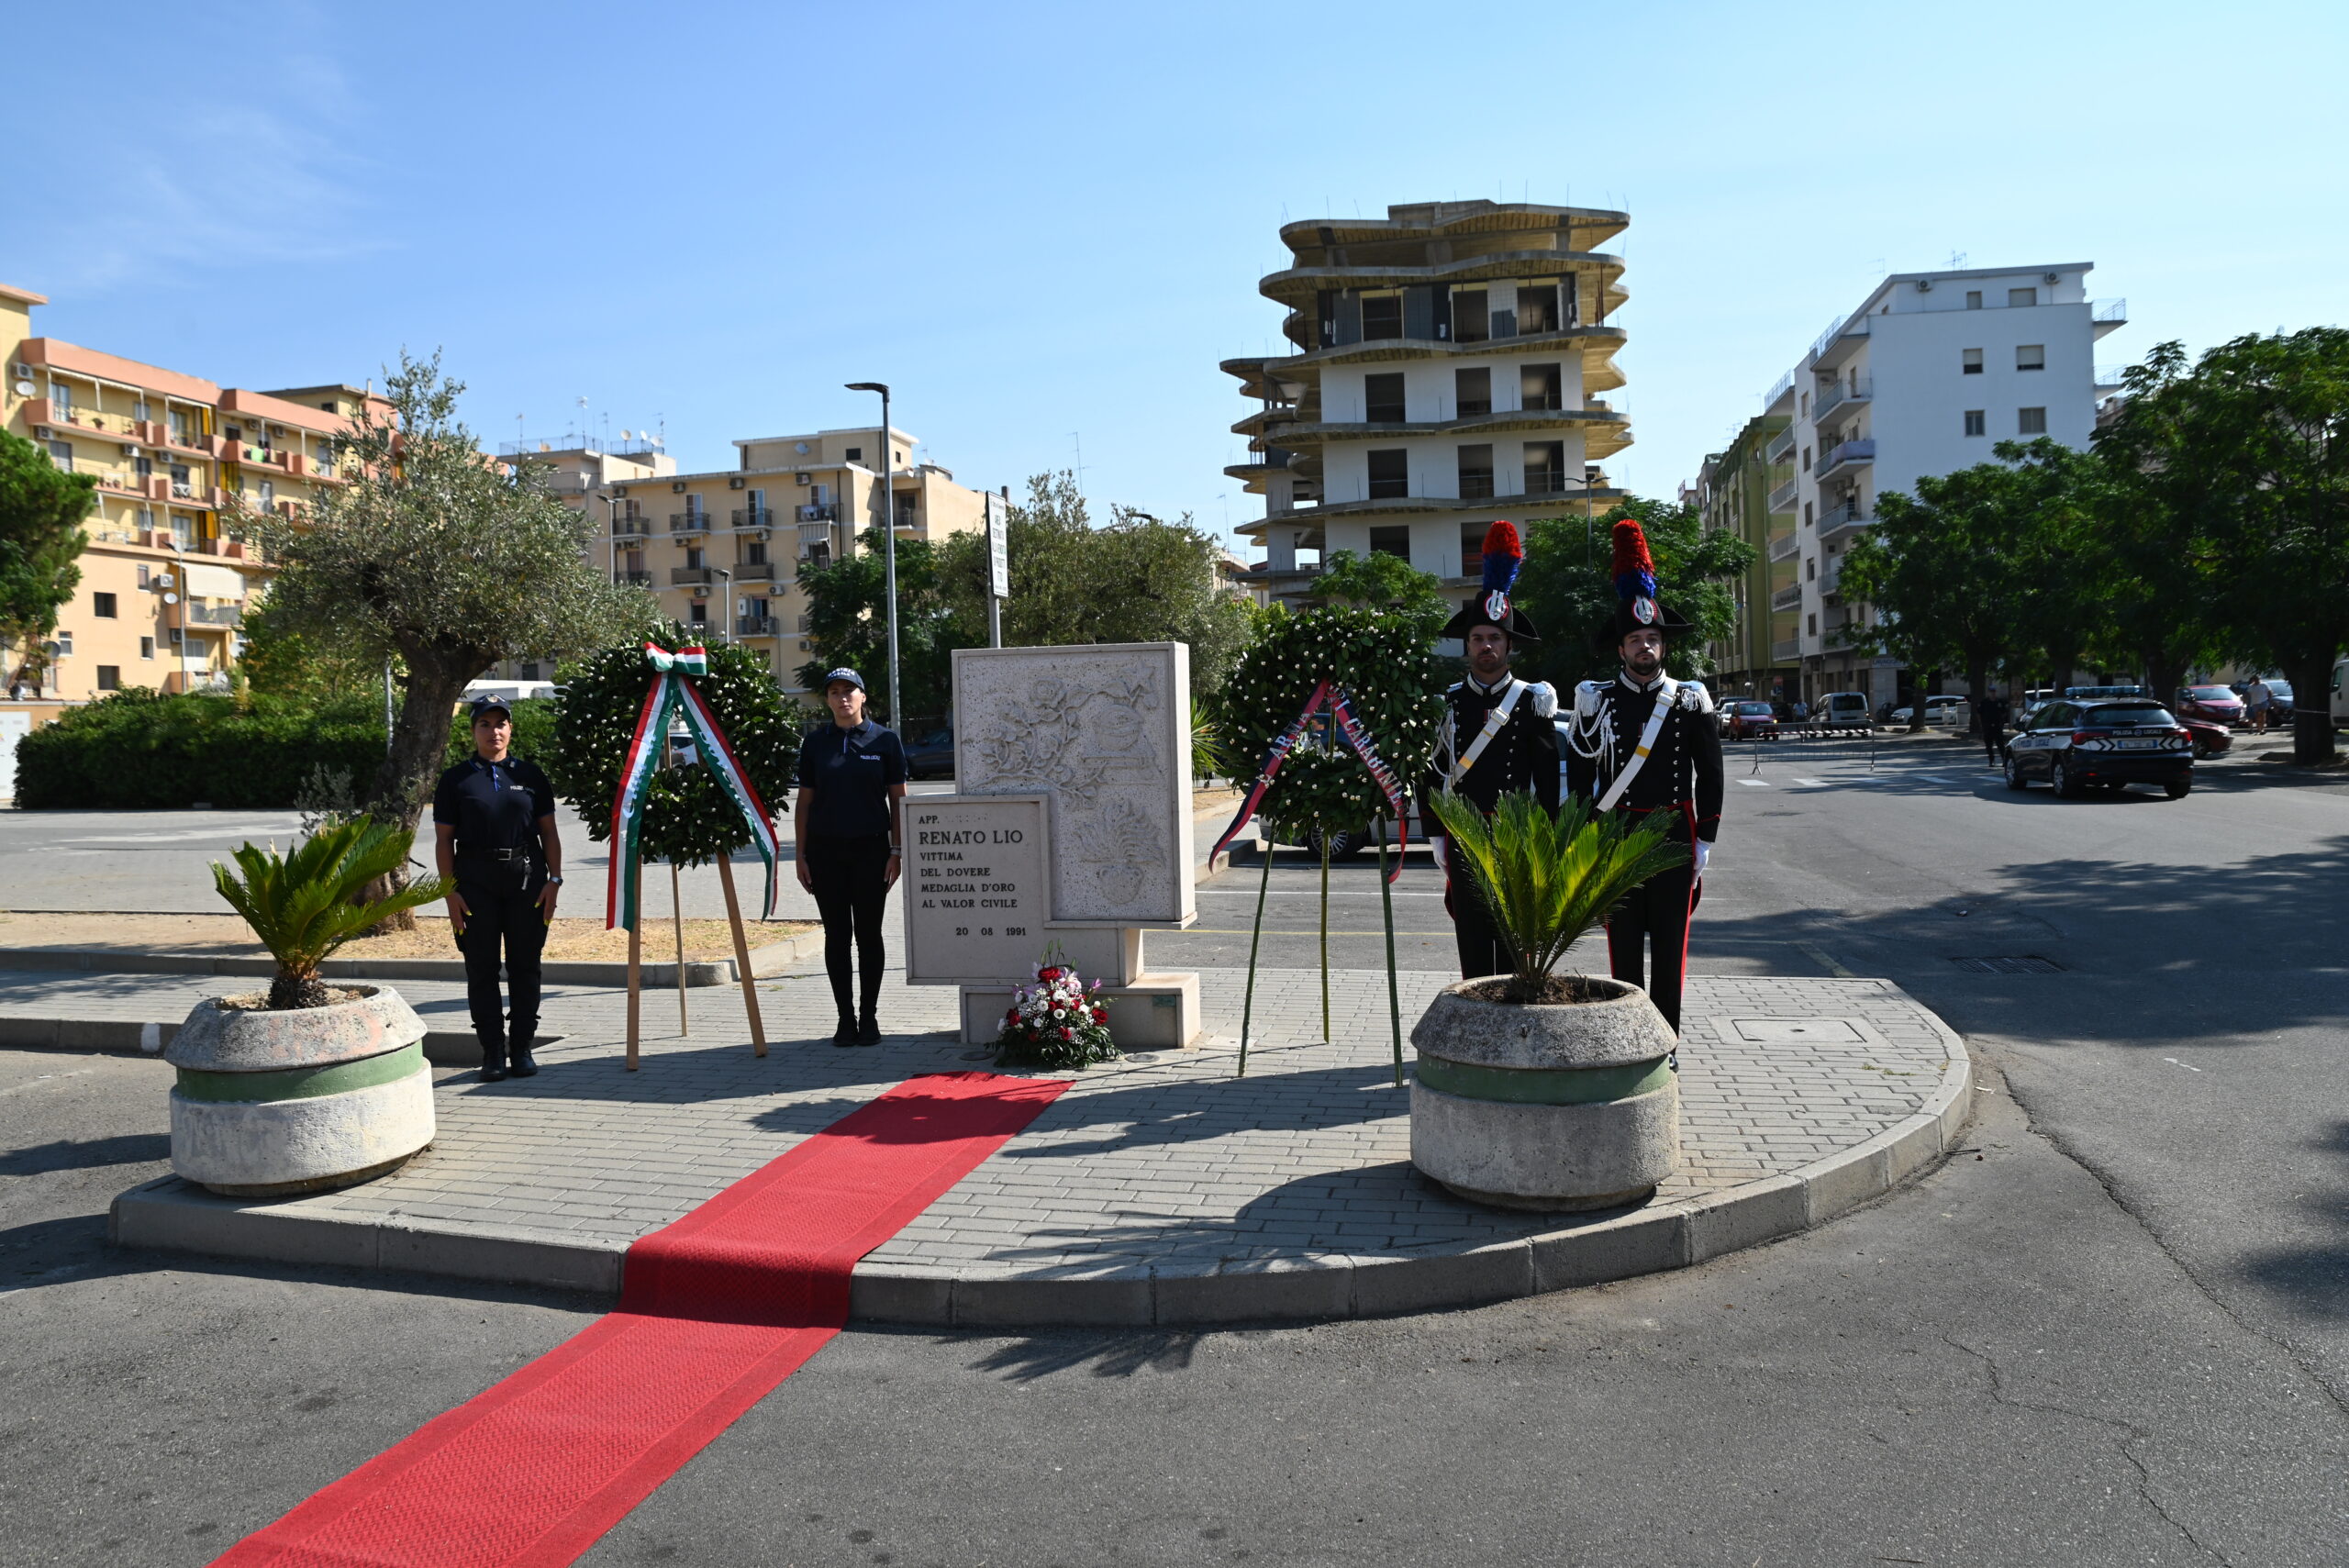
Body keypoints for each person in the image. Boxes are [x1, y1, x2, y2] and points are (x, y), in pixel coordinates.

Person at [1560, 518, 1724, 1035]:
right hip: (1618, 833)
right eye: (1636, 639)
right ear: (1621, 648)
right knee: (1623, 944)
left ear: (1664, 646)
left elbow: (1711, 772)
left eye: (1653, 639)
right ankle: (1626, 1036)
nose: (1646, 648)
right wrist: (1587, 835)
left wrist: (1706, 839)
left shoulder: (1690, 697)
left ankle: (1666, 1040)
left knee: (1671, 947)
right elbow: (1583, 775)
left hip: (1675, 834)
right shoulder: (1596, 699)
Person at [1419, 521, 1560, 981]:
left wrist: (1547, 838)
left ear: (1509, 645)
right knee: (1473, 936)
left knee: (1515, 935)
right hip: (1464, 835)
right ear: (1468, 645)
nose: (1486, 646)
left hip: (1514, 833)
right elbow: (1431, 772)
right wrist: (1436, 833)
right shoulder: (1448, 703)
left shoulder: (1531, 700)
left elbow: (1545, 776)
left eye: (1495, 638)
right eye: (1479, 638)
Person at [434, 695, 562, 1082]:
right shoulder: (455, 780)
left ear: (510, 729)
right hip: (474, 883)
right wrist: (449, 892)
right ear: (473, 730)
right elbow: (444, 843)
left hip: (526, 880)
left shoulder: (531, 775)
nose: (494, 731)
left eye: (500, 723)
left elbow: (550, 834)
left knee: (526, 967)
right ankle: (492, 1052)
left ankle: (521, 1048)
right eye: (485, 724)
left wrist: (554, 880)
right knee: (481, 969)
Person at [795, 668, 907, 1046]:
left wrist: (897, 851)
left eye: (849, 691)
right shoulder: (815, 744)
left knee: (869, 935)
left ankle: (869, 1018)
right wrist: (801, 856)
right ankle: (845, 1020)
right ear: (827, 700)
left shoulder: (886, 740)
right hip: (825, 853)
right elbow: (804, 804)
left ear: (862, 696)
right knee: (837, 936)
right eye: (834, 692)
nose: (842, 698)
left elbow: (898, 800)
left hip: (872, 851)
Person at [1979, 692, 2010, 767]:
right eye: (1991, 692)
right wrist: (1981, 724)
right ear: (1988, 693)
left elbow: (2005, 712)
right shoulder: (1984, 702)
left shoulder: (2000, 702)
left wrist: (2001, 721)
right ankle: (1991, 761)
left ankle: (2004, 760)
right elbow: (1979, 712)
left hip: (1997, 726)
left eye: (1994, 692)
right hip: (1987, 726)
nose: (1992, 694)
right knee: (1989, 745)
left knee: (2000, 745)